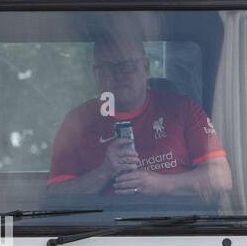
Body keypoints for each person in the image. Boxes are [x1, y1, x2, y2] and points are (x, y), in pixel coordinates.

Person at [47, 28, 232, 200]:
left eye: (126, 66)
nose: (117, 75)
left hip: (179, 229)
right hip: (96, 232)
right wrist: (103, 173)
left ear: (146, 68)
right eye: (106, 68)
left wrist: (161, 185)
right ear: (95, 74)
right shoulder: (77, 123)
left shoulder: (183, 110)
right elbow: (55, 196)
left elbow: (221, 178)